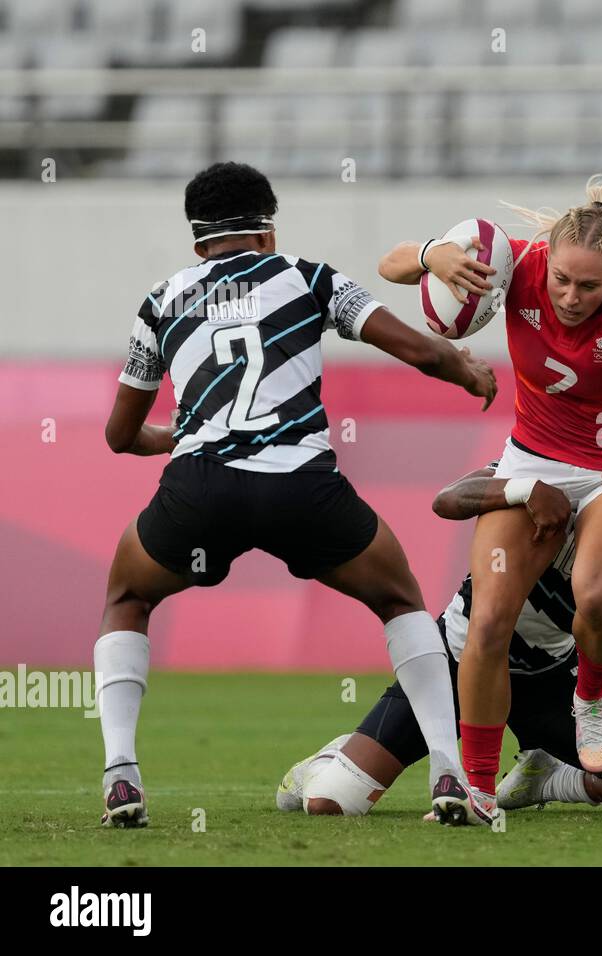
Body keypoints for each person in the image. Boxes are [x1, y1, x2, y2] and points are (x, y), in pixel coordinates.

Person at [96, 162, 496, 827]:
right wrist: (465, 369)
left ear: (198, 243)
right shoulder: (306, 275)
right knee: (400, 601)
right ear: (269, 228)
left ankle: (120, 774)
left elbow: (119, 434)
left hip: (200, 488)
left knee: (127, 598)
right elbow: (420, 353)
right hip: (301, 488)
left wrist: (186, 435)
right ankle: (450, 772)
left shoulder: (162, 298)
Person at [376, 176, 602, 826]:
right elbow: (389, 264)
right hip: (530, 460)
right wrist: (433, 252)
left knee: (599, 596)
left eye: (588, 287)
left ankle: (591, 700)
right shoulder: (515, 263)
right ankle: (479, 790)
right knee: (489, 622)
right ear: (544, 261)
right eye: (562, 282)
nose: (571, 297)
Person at [275, 461, 602, 821]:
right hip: (460, 661)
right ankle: (330, 760)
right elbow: (448, 499)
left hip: (549, 678)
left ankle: (554, 777)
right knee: (329, 802)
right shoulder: (540, 458)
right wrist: (524, 488)